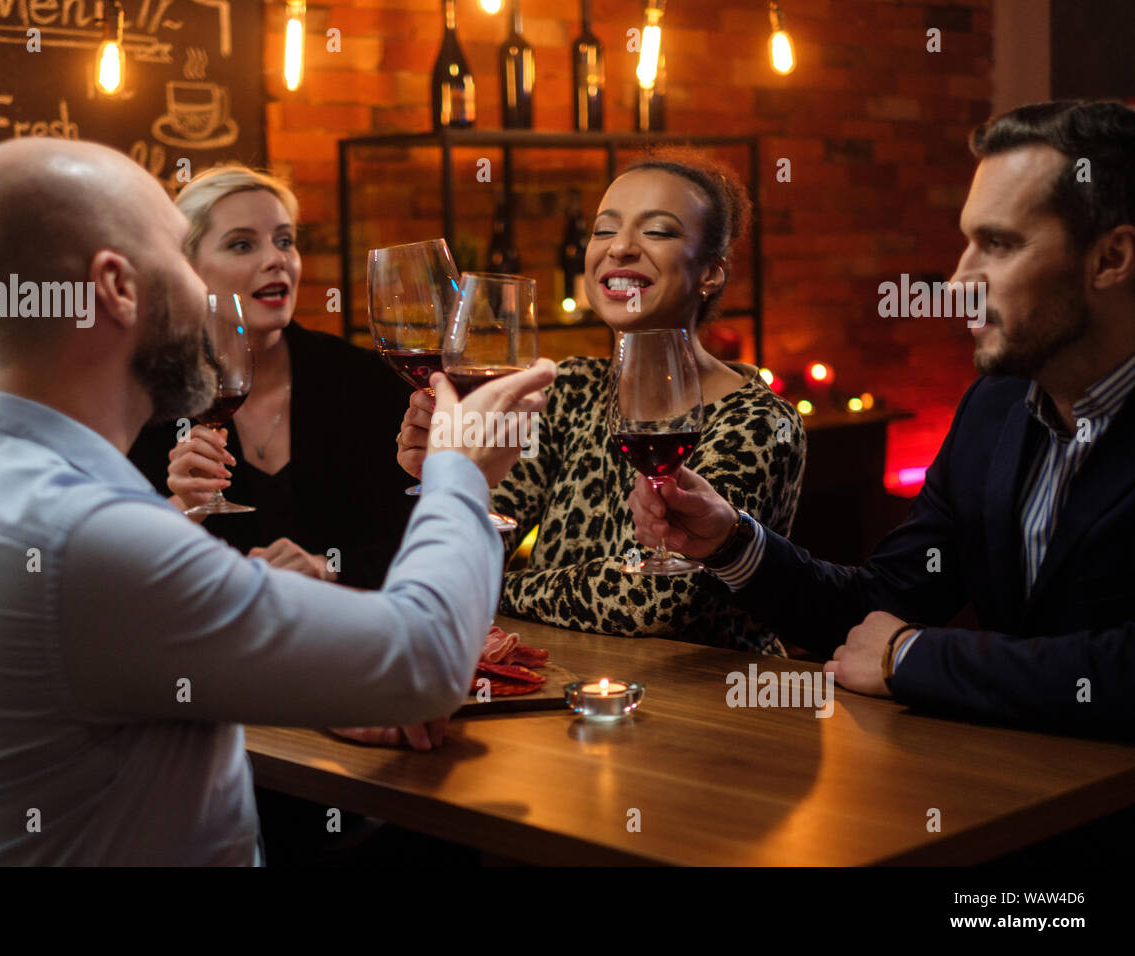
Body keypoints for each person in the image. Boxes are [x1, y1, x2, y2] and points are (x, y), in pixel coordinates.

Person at [0, 137, 556, 864]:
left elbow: (120, 687)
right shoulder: (87, 535)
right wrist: (460, 473)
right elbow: (425, 660)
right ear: (116, 286)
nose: (208, 299)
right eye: (179, 252)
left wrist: (320, 689)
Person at [629, 100, 1135, 737]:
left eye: (999, 245)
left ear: (1111, 259)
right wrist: (731, 542)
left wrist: (913, 656)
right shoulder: (995, 407)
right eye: (967, 242)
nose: (959, 281)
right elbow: (878, 605)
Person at [397, 152, 805, 653]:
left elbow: (654, 599)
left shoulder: (760, 420)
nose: (621, 249)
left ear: (710, 273)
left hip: (714, 709)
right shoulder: (568, 389)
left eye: (657, 231)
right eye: (604, 230)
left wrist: (500, 594)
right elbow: (470, 554)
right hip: (564, 696)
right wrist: (451, 475)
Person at [128, 164, 415, 589]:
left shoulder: (366, 380)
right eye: (242, 244)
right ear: (187, 267)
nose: (276, 259)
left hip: (352, 639)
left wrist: (328, 568)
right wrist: (186, 505)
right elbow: (115, 575)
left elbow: (420, 543)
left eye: (285, 241)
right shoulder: (144, 398)